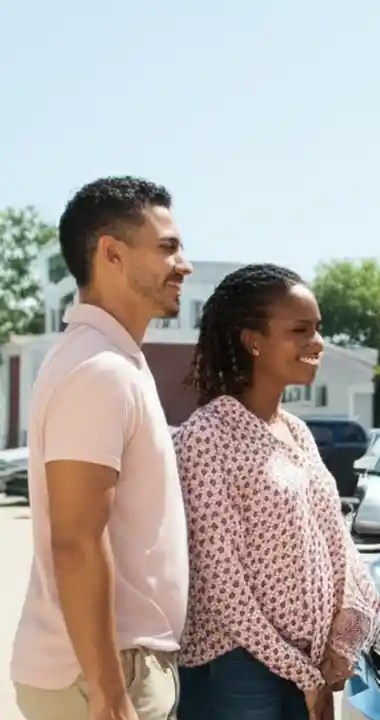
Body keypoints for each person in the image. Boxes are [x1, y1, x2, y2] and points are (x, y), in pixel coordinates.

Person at [10, 177, 193, 720]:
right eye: (167, 247)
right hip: (100, 678)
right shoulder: (99, 371)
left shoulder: (114, 362)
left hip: (112, 669)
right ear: (111, 253)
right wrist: (109, 692)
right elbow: (76, 541)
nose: (183, 263)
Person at [171, 263, 380, 720]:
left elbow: (337, 546)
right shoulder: (207, 436)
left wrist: (339, 648)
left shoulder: (298, 433)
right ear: (254, 340)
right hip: (237, 667)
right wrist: (300, 673)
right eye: (300, 330)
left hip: (307, 664)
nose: (317, 342)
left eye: (318, 329)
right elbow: (218, 582)